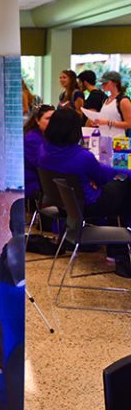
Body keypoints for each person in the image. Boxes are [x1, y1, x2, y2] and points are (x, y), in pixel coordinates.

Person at [38, 108, 131, 277]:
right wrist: (125, 173)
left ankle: (118, 249)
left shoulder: (43, 150)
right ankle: (121, 250)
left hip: (64, 205)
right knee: (125, 187)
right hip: (88, 205)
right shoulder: (81, 156)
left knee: (121, 191)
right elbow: (102, 178)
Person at [23, 104, 54, 199]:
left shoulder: (47, 136)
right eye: (48, 118)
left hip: (44, 180)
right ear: (37, 120)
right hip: (34, 184)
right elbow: (45, 163)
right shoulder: (32, 139)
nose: (52, 122)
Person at [89, 71, 131, 138]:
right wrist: (98, 121)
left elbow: (129, 124)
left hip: (117, 141)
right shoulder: (106, 100)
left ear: (115, 83)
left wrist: (107, 122)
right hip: (104, 139)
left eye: (105, 83)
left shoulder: (123, 101)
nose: (103, 85)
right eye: (102, 83)